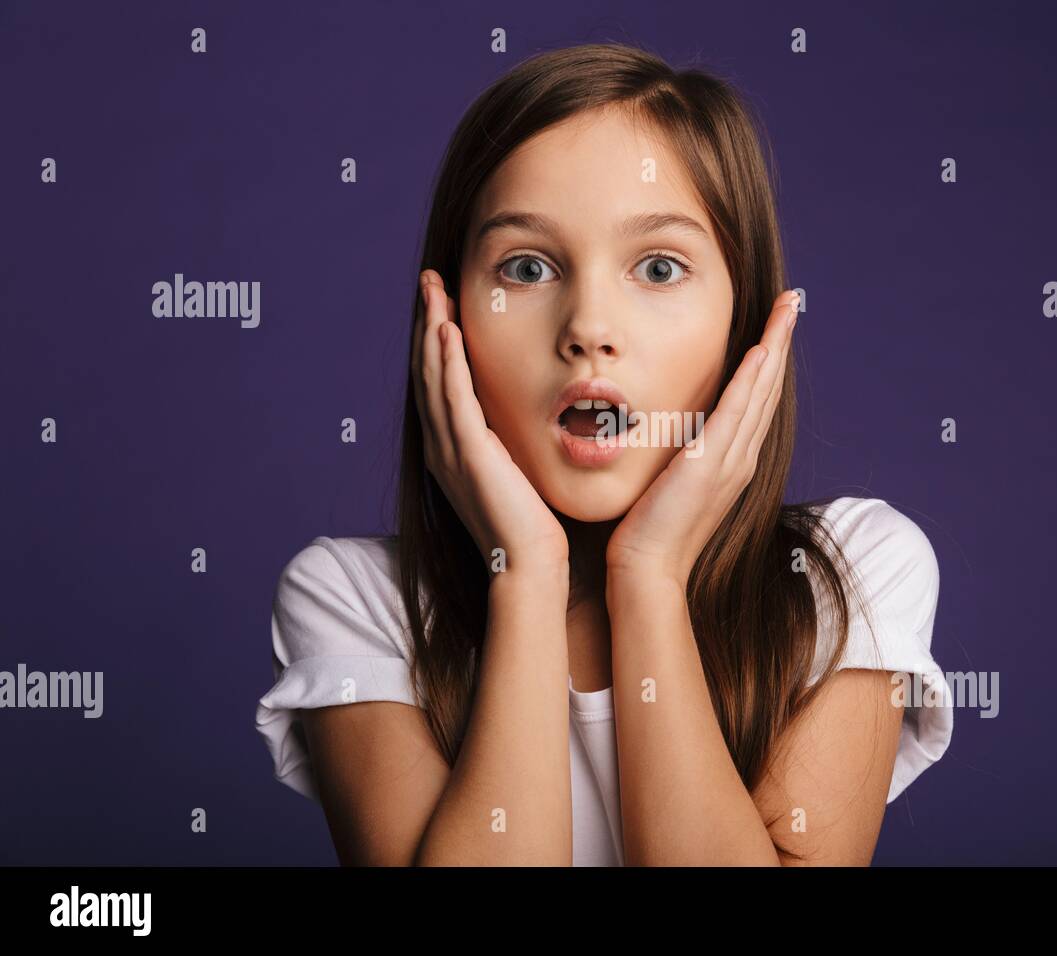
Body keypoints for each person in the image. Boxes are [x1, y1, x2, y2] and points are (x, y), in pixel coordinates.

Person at [255, 41, 952, 866]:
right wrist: (526, 574)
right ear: (445, 327)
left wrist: (650, 578)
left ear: (749, 330)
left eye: (658, 268)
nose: (588, 326)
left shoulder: (850, 577)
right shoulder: (355, 603)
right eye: (527, 266)